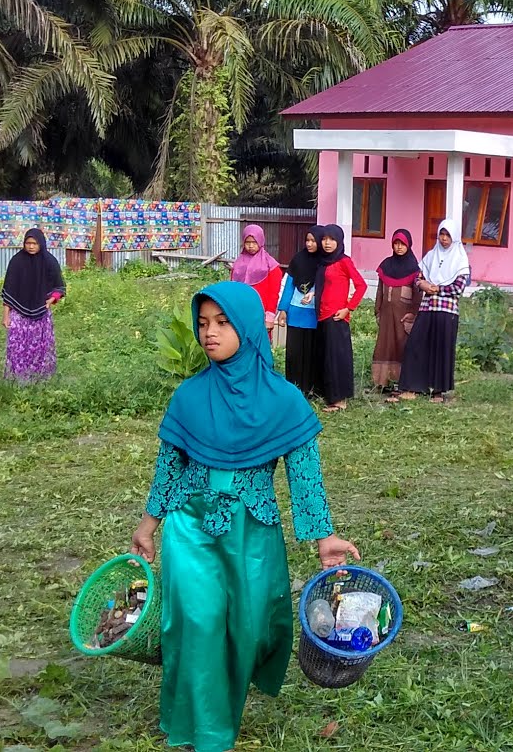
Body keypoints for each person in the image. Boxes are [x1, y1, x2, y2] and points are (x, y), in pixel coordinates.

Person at [131, 282, 359, 752]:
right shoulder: (189, 398)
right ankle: (204, 731)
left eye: (222, 322)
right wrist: (149, 525)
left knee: (250, 627)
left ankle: (217, 705)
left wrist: (324, 538)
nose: (209, 333)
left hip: (253, 529)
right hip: (190, 525)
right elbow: (168, 467)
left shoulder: (284, 402)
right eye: (202, 323)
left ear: (250, 327)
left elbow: (305, 477)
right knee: (198, 621)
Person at [397, 219, 471, 402]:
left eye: (448, 235)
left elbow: (459, 287)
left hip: (447, 311)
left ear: (454, 238)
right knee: (416, 344)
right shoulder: (431, 255)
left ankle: (438, 391)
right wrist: (422, 284)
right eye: (442, 234)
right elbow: (418, 277)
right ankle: (413, 386)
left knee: (441, 349)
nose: (444, 239)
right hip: (427, 308)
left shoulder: (460, 258)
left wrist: (437, 289)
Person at [1, 228, 66, 383]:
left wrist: (52, 299)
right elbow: (9, 290)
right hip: (19, 312)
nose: (31, 246)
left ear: (41, 244)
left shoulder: (49, 261)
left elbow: (59, 287)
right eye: (28, 243)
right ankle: (17, 379)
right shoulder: (16, 262)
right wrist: (6, 316)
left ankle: (40, 379)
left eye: (34, 243)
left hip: (41, 312)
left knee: (41, 347)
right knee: (17, 347)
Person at [315, 225, 368, 412]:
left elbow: (361, 285)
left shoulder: (344, 261)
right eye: (324, 239)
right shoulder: (323, 262)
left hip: (336, 317)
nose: (327, 243)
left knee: (337, 358)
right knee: (326, 358)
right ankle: (330, 396)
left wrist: (348, 308)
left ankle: (340, 400)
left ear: (339, 241)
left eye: (332, 239)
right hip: (322, 315)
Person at [371, 229, 422, 392]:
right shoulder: (386, 265)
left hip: (403, 316)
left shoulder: (414, 268)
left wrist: (413, 314)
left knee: (402, 346)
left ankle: (402, 382)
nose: (399, 247)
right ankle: (382, 382)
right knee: (384, 346)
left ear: (409, 245)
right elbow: (380, 290)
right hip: (386, 315)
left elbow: (417, 294)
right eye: (396, 243)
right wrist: (377, 310)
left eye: (402, 244)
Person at [275, 230, 323, 398]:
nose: (309, 244)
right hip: (295, 313)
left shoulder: (324, 262)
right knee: (294, 353)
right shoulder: (298, 260)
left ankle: (310, 388)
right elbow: (288, 285)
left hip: (314, 315)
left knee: (311, 352)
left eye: (313, 240)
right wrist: (283, 309)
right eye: (307, 240)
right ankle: (293, 388)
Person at [231, 225, 283, 339]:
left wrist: (269, 318)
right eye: (247, 242)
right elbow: (232, 291)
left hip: (260, 315)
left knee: (259, 347)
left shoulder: (271, 266)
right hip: (240, 314)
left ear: (261, 241)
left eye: (254, 242)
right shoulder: (238, 264)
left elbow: (274, 294)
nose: (250, 246)